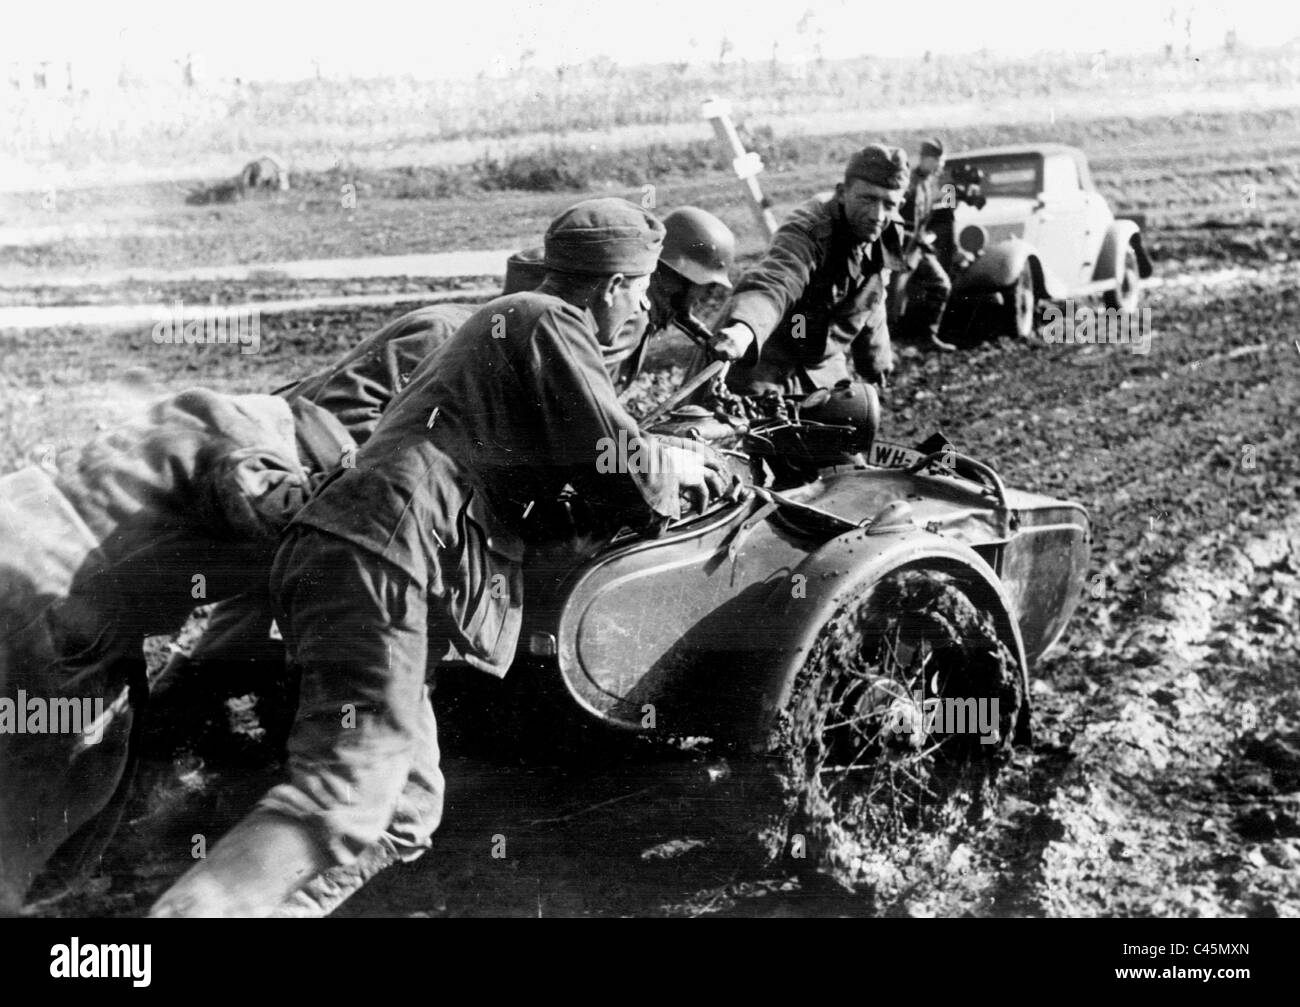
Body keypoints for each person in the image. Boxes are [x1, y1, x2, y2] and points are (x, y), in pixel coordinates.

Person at [149, 198, 730, 918]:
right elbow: (622, 468)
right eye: (641, 291)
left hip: (375, 559)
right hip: (378, 557)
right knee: (343, 792)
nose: (643, 308)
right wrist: (678, 464)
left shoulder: (519, 325)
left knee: (404, 813)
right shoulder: (546, 319)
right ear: (613, 286)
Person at [0, 388, 352, 912]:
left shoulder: (217, 408)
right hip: (57, 602)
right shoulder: (262, 456)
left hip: (19, 525)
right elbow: (256, 492)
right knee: (43, 801)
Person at [707, 144, 909, 395]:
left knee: (851, 423)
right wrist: (744, 329)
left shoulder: (885, 230)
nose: (877, 215)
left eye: (889, 204)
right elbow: (777, 279)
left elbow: (872, 299)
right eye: (867, 199)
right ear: (843, 193)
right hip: (766, 356)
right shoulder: (810, 228)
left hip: (820, 364)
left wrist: (876, 363)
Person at [894, 137, 956, 352]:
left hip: (918, 249)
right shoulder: (908, 184)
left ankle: (928, 336)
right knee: (893, 303)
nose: (941, 166)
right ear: (927, 159)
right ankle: (889, 348)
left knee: (941, 285)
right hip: (902, 250)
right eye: (938, 161)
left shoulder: (929, 183)